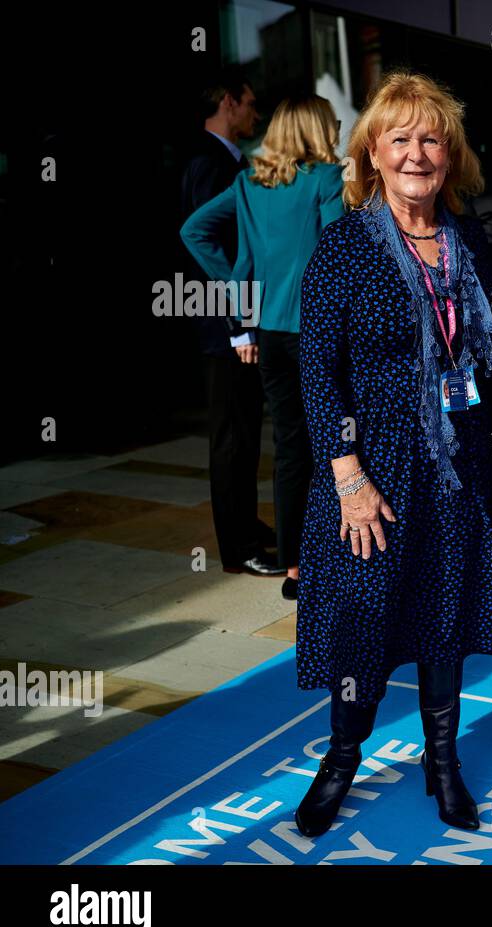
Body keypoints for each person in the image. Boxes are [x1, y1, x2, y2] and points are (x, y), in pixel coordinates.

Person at [292, 72, 492, 837]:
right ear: (372, 152)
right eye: (400, 139)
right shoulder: (347, 244)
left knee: (445, 609)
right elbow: (317, 371)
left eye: (432, 138)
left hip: (453, 463)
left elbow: (486, 360)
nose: (417, 153)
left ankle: (442, 761)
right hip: (372, 471)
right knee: (364, 616)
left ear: (450, 154)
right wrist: (348, 477)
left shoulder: (466, 243)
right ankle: (341, 758)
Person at [181, 95, 346, 601]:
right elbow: (337, 253)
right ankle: (334, 558)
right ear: (317, 128)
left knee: (292, 449)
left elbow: (195, 232)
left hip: (269, 334)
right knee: (336, 446)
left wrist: (238, 305)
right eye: (333, 123)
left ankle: (294, 566)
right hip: (319, 332)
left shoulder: (251, 181)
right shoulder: (325, 179)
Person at [180, 69, 278, 577]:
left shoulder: (227, 160)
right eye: (250, 103)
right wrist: (238, 319)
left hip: (238, 319)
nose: (255, 113)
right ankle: (239, 548)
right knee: (232, 437)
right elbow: (203, 243)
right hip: (226, 326)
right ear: (228, 101)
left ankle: (249, 529)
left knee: (242, 431)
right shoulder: (207, 161)